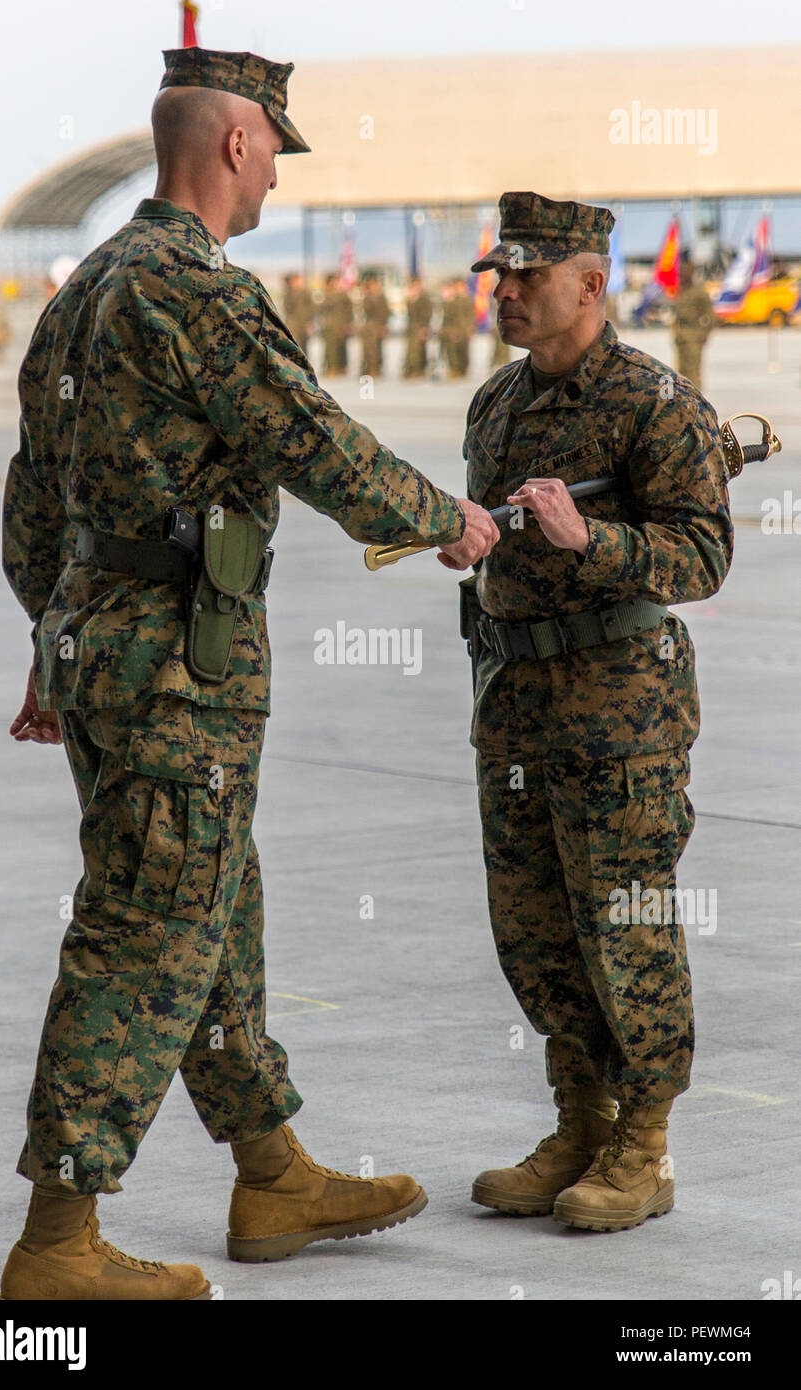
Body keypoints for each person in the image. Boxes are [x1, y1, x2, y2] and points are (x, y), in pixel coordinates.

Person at [0, 46, 499, 1301]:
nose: (278, 166)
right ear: (233, 143)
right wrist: (446, 515)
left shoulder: (82, 289)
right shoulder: (194, 291)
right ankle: (57, 1241)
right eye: (275, 144)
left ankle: (270, 1171)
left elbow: (29, 502)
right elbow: (315, 443)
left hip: (107, 656)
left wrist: (55, 639)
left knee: (211, 908)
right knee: (145, 933)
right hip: (181, 666)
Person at [452, 192, 732, 1232]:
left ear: (590, 281)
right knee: (532, 928)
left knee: (625, 923)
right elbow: (492, 541)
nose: (506, 292)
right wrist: (469, 557)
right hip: (513, 702)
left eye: (527, 275)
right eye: (498, 275)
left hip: (619, 708)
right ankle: (577, 1117)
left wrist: (595, 544)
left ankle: (643, 1144)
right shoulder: (493, 403)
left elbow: (702, 552)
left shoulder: (653, 402)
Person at [671, 259, 717, 393]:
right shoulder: (680, 291)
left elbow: (711, 317)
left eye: (685, 273)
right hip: (681, 336)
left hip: (693, 336)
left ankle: (696, 399)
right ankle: (683, 400)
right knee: (681, 371)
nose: (682, 276)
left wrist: (703, 336)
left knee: (693, 371)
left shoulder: (699, 292)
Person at [440, 277, 475, 378]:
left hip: (464, 329)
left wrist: (470, 327)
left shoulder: (468, 300)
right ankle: (454, 369)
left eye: (462, 286)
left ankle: (463, 369)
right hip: (453, 329)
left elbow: (471, 315)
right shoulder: (451, 300)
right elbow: (447, 317)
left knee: (464, 350)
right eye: (457, 286)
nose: (460, 289)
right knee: (452, 351)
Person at [320, 271, 353, 375]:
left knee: (341, 346)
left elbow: (349, 310)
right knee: (330, 348)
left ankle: (342, 367)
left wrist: (348, 323)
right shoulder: (325, 294)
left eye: (337, 281)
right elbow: (322, 309)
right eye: (335, 281)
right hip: (330, 324)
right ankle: (331, 368)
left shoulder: (343, 295)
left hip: (341, 324)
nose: (337, 283)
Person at [359, 274, 390, 378]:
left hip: (378, 326)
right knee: (367, 349)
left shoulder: (381, 298)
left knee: (376, 349)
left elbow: (385, 313)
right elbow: (365, 310)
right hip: (368, 327)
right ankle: (367, 368)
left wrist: (383, 326)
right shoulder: (367, 297)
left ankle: (376, 369)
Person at [403, 276, 433, 378]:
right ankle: (410, 369)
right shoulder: (411, 298)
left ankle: (418, 370)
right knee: (411, 349)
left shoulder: (424, 298)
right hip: (411, 328)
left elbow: (427, 313)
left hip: (421, 327)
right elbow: (410, 314)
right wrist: (411, 301)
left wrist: (424, 327)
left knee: (418, 350)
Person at [281, 270, 314, 352]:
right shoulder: (289, 294)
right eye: (296, 280)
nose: (299, 282)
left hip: (304, 325)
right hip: (293, 326)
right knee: (295, 349)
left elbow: (311, 309)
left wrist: (309, 323)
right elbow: (287, 309)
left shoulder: (305, 293)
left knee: (304, 349)